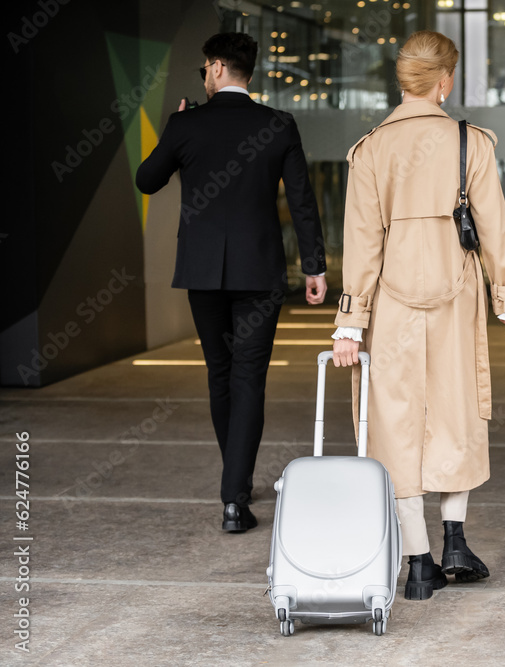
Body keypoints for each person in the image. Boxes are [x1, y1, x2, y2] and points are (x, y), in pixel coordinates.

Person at [330, 31, 505, 601]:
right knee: (456, 408)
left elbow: (361, 243)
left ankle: (418, 563)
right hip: (456, 294)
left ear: (403, 81)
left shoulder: (370, 149)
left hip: (390, 301)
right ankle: (456, 541)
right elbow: (494, 228)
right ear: (445, 80)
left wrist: (350, 323)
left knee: (393, 420)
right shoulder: (471, 142)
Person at [136, 33, 327, 532]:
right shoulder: (278, 124)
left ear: (218, 67)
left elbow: (146, 180)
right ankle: (234, 497)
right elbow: (302, 200)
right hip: (259, 270)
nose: (204, 74)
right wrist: (315, 267)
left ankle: (235, 489)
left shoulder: (186, 123)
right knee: (248, 379)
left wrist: (175, 133)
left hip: (202, 271)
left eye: (205, 67)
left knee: (219, 373)